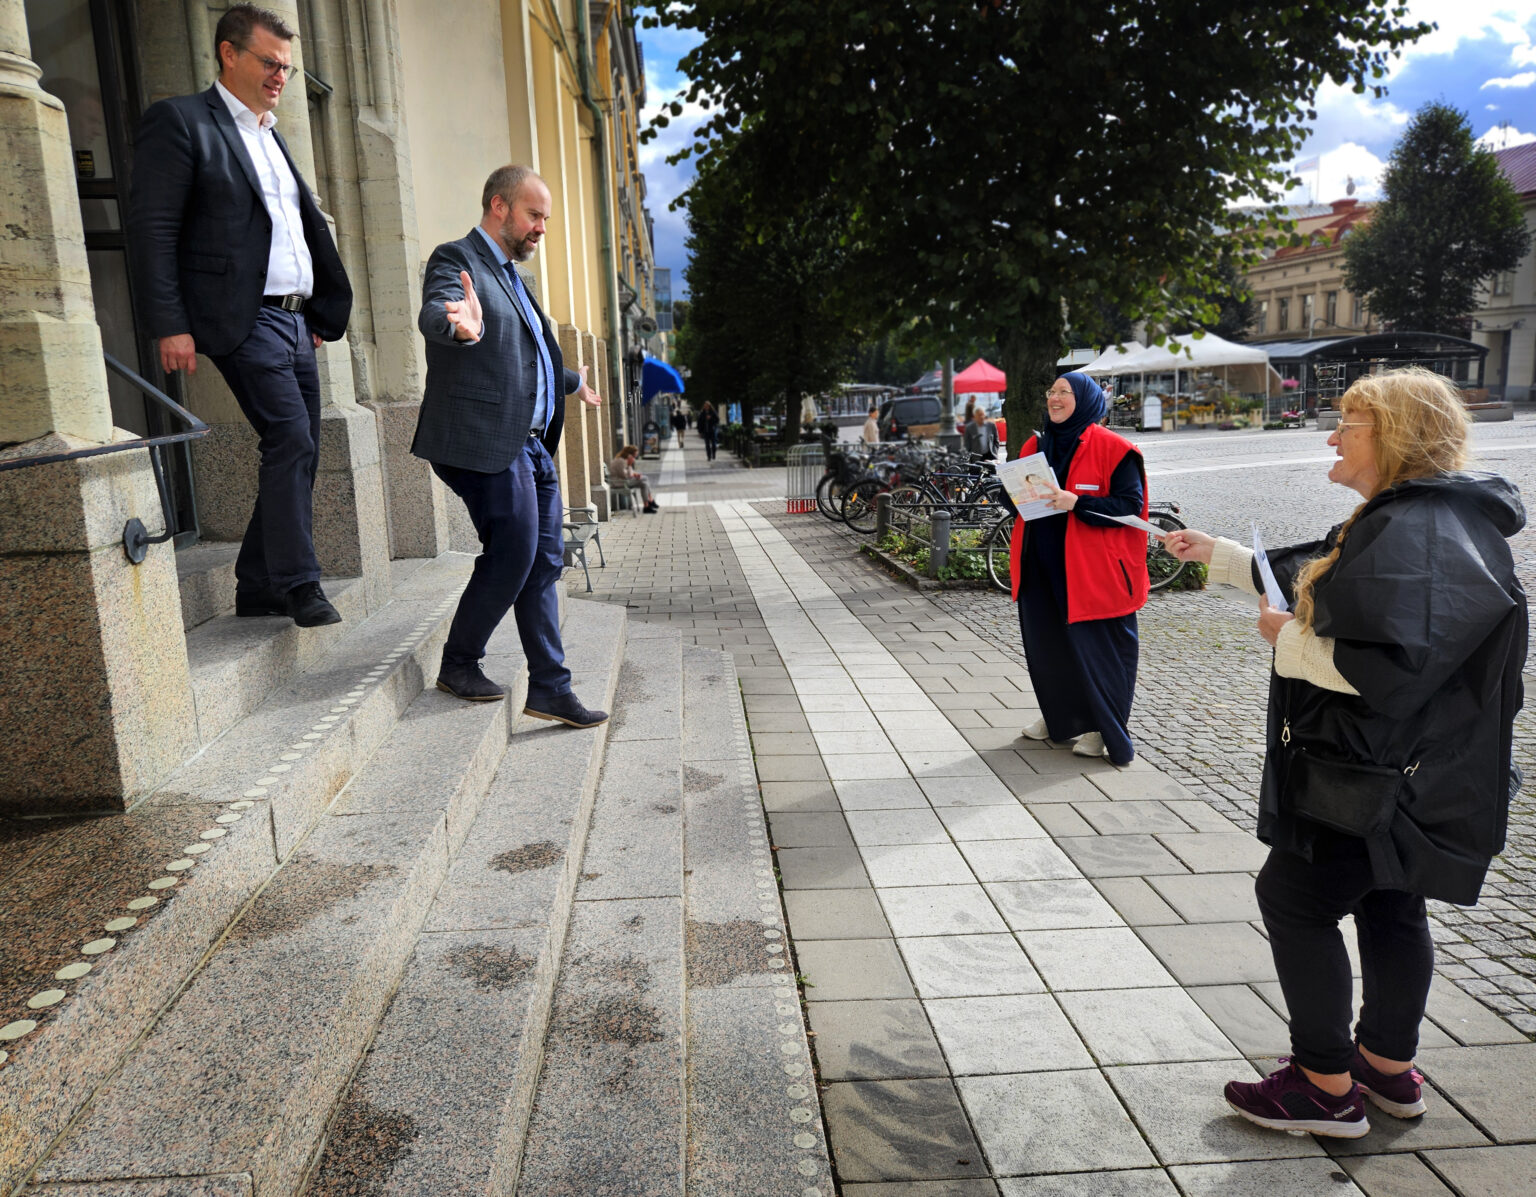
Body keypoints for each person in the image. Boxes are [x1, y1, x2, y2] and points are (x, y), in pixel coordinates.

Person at [1166, 368, 1526, 1140]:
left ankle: (1324, 1086)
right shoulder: (1428, 516)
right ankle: (1385, 1065)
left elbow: (1391, 667)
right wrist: (1222, 554)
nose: (1331, 435)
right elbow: (1334, 580)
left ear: (1392, 434)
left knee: (1294, 899)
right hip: (1409, 773)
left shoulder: (1414, 529)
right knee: (1391, 901)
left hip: (1375, 775)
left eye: (1348, 423)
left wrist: (1286, 642)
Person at [128, 3, 352, 627]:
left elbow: (292, 230)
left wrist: (315, 306)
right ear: (229, 54)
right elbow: (153, 230)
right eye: (270, 62)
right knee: (291, 438)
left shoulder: (270, 132)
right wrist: (170, 323)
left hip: (293, 320)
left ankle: (256, 584)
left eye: (287, 66)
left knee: (301, 448)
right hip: (240, 318)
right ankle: (299, 584)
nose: (281, 75)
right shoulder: (180, 123)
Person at [411, 164, 607, 727]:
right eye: (534, 215)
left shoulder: (515, 277)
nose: (541, 227)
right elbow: (441, 313)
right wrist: (457, 325)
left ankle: (550, 688)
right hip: (487, 440)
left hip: (532, 445)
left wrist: (571, 380)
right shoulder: (458, 261)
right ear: (499, 206)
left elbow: (527, 355)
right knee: (517, 551)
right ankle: (459, 661)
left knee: (545, 560)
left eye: (544, 217)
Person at [1008, 372, 1148, 765]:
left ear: (1084, 399)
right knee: (1050, 649)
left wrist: (1078, 504)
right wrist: (1014, 494)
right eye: (1051, 390)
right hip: (1041, 567)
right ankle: (1061, 719)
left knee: (1100, 652)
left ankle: (1102, 728)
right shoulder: (1034, 444)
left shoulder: (1115, 448)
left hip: (1093, 574)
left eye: (1063, 392)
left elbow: (1129, 508)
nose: (1054, 398)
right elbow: (1016, 501)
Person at [608, 445, 658, 513]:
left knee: (644, 483)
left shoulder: (623, 460)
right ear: (629, 455)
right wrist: (629, 465)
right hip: (620, 482)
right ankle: (649, 502)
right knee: (644, 479)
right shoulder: (621, 461)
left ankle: (647, 505)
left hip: (623, 481)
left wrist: (635, 474)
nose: (635, 458)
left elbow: (629, 474)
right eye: (634, 456)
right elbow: (625, 476)